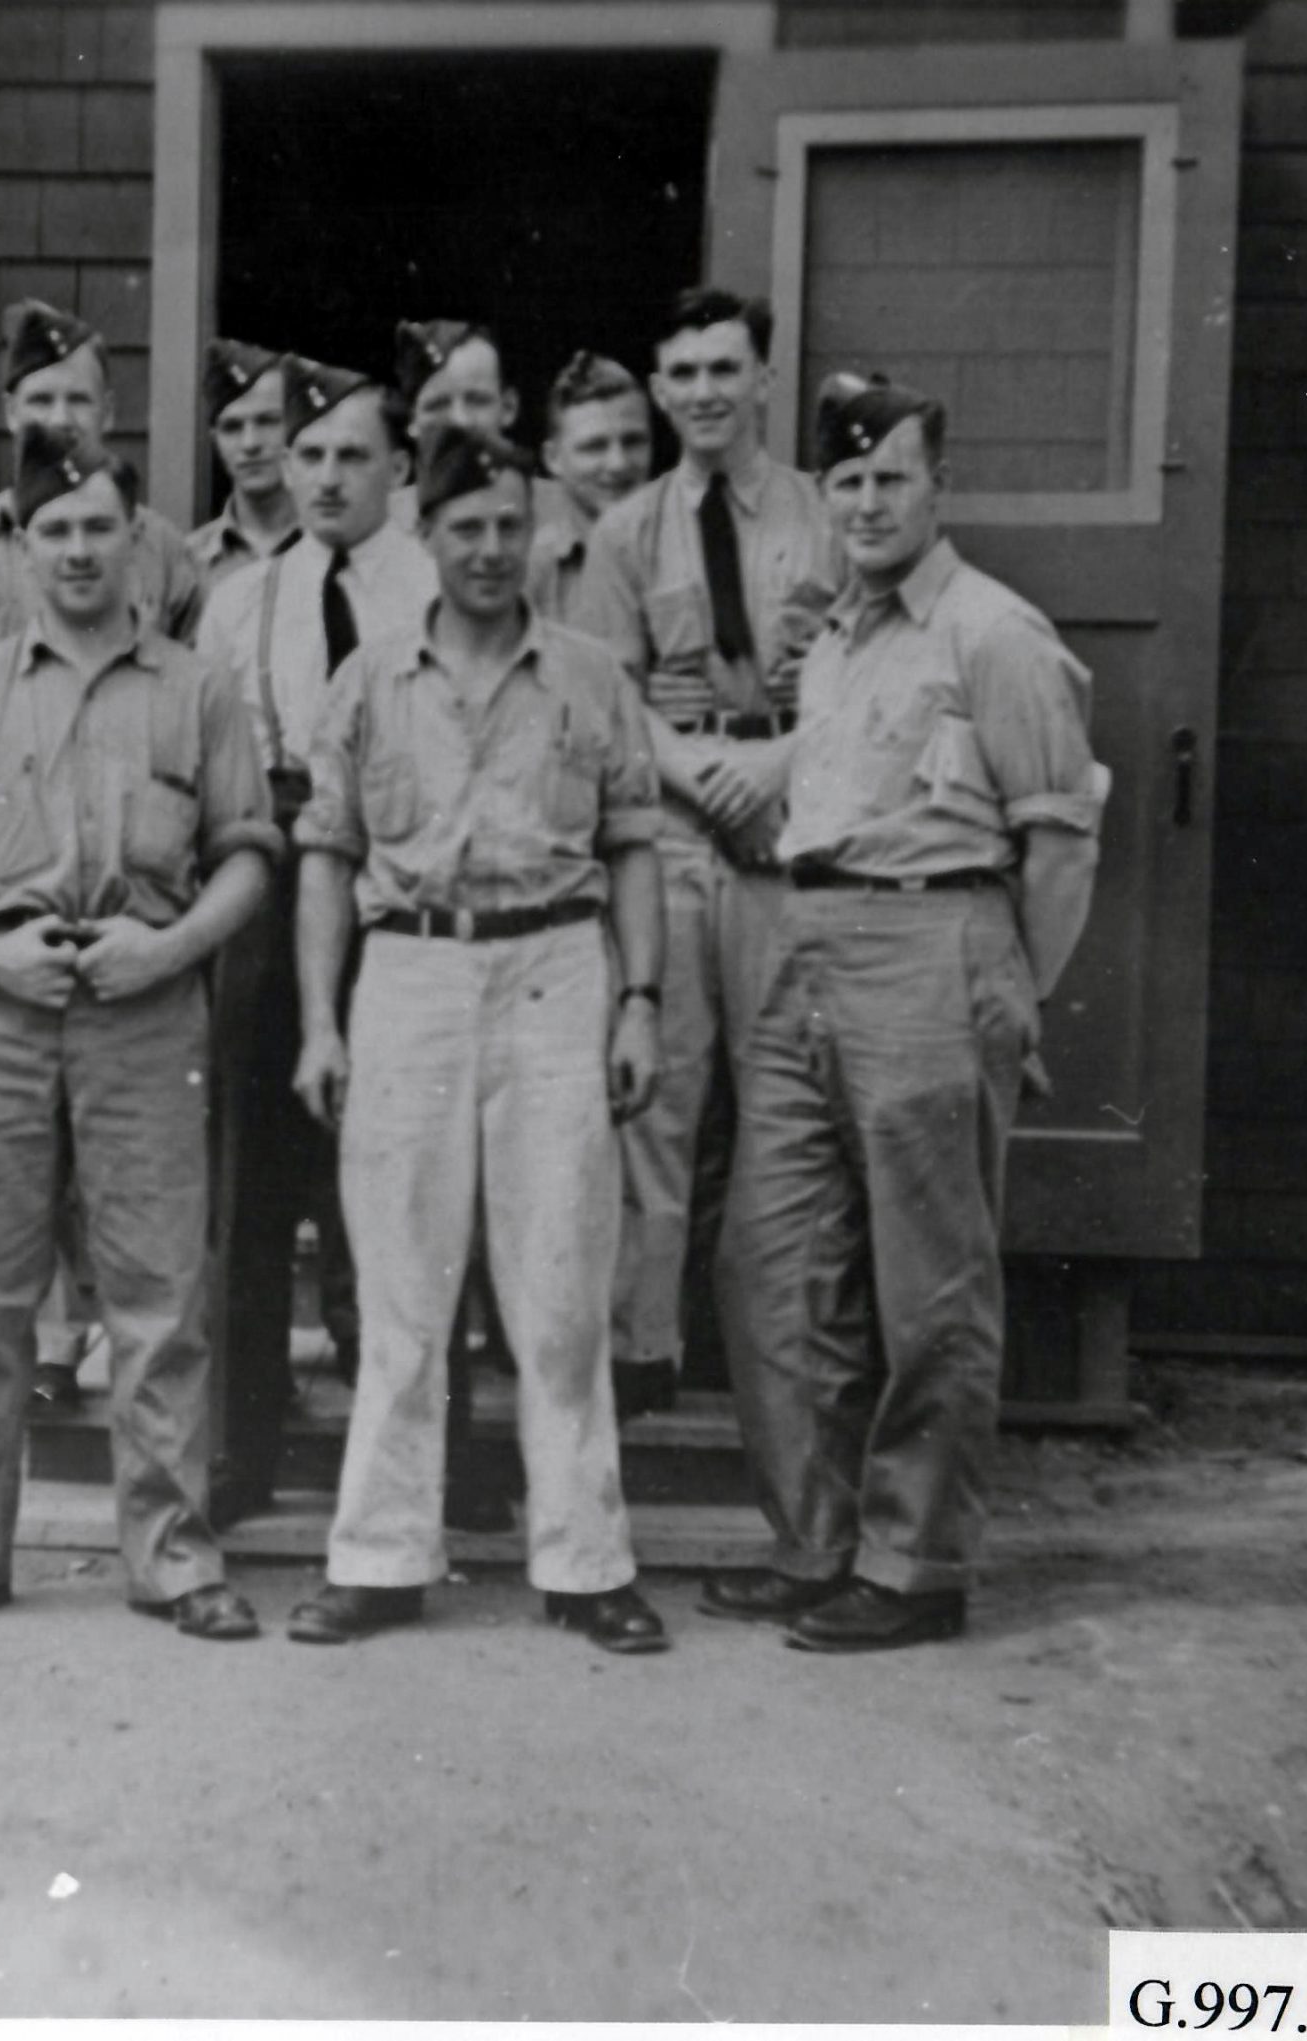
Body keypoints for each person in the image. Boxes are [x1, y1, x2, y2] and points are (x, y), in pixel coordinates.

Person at [708, 372, 1108, 1653]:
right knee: (773, 1261)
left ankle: (915, 1564)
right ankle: (816, 1544)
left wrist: (1010, 1004)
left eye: (891, 478)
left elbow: (1058, 849)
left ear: (939, 486)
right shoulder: (833, 639)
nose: (868, 501)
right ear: (823, 494)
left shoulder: (993, 634)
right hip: (807, 941)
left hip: (936, 943)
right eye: (848, 481)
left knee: (929, 1284)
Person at [0, 426, 281, 1640]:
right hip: (2, 1006)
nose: (78, 548)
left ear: (137, 538)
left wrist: (169, 949)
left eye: (99, 524)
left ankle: (169, 1552)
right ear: (23, 543)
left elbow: (247, 855)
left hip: (146, 1008)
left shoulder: (196, 690)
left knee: (159, 1291)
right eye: (53, 529)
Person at [284, 423, 670, 1656]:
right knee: (400, 1286)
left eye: (508, 525)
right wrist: (318, 1023)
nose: (491, 549)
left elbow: (631, 847)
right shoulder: (367, 682)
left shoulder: (592, 676)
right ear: (427, 535)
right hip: (407, 972)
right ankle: (382, 1558)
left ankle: (586, 1561)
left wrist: (641, 1000)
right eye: (465, 529)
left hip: (557, 967)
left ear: (534, 530)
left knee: (559, 1290)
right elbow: (326, 862)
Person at [570, 288, 843, 1424]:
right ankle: (642, 1350)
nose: (701, 393)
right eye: (679, 373)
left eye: (723, 369)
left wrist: (777, 766)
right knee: (658, 1096)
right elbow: (605, 694)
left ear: (763, 378)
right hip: (677, 826)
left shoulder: (830, 513)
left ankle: (771, 1349)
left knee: (785, 1099)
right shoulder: (626, 532)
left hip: (794, 822)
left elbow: (869, 673)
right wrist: (702, 773)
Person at [192, 354, 435, 1529]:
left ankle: (413, 1461)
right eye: (309, 455)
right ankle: (240, 1451)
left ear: (399, 466)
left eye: (352, 455)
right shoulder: (243, 599)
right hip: (275, 871)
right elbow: (226, 765)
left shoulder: (437, 588)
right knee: (250, 1183)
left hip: (395, 886)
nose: (328, 477)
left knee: (394, 1181)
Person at [0, 297, 206, 645]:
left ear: (107, 412)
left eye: (78, 400)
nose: (60, 420)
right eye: (41, 401)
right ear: (11, 412)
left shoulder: (165, 553)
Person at [386, 318, 574, 538]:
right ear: (411, 419)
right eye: (438, 405)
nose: (460, 420)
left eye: (476, 401)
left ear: (508, 408)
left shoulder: (565, 513)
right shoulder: (383, 523)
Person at [529, 350, 654, 618]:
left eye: (633, 441)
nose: (618, 463)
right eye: (595, 447)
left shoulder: (689, 548)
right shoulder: (528, 573)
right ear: (553, 458)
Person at [189, 337, 298, 594]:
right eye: (232, 427)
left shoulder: (333, 546)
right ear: (215, 440)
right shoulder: (188, 564)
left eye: (267, 421)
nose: (250, 443)